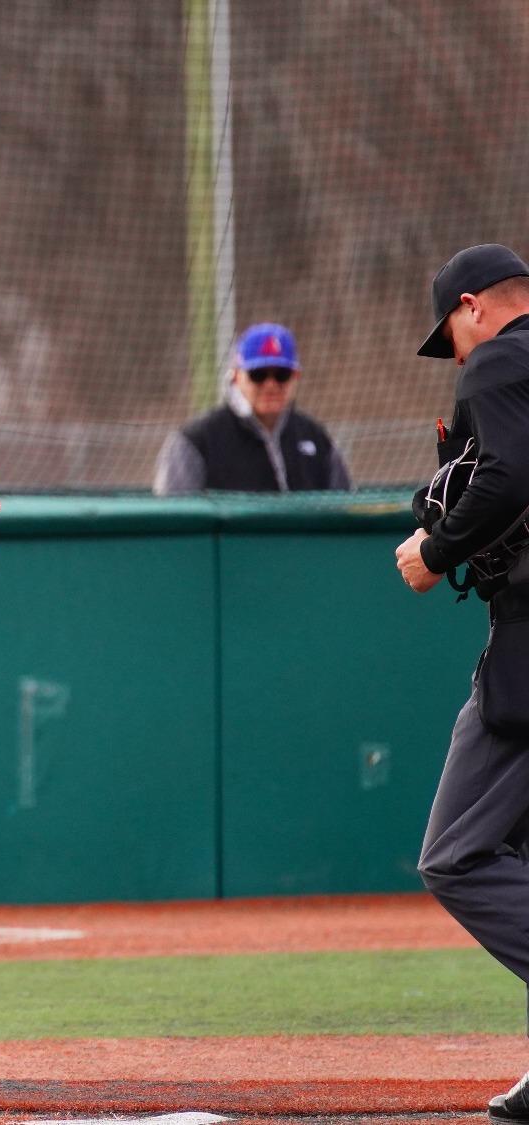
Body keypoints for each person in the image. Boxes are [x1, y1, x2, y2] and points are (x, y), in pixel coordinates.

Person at [394, 243, 529, 1125]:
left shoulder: (502, 362)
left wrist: (437, 547)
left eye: (454, 332)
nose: (458, 353)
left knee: (456, 853)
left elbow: (511, 471)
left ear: (474, 306)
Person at [153, 323, 352, 495]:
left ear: (295, 376)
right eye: (258, 375)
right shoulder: (197, 441)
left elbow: (345, 511)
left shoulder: (316, 438)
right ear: (237, 376)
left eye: (281, 375)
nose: (270, 385)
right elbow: (175, 523)